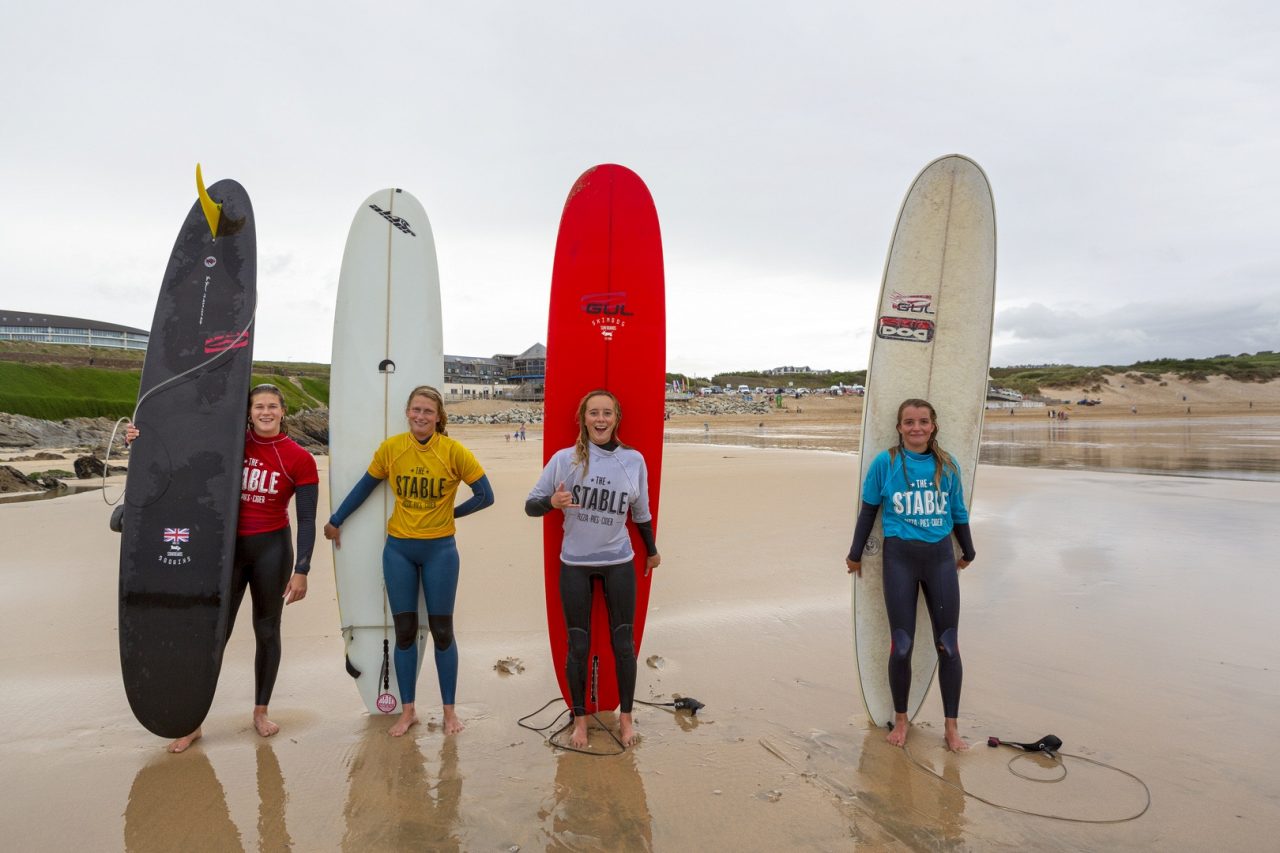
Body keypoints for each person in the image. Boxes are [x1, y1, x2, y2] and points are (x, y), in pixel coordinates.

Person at [125, 383, 319, 753]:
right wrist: (138, 439)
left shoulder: (299, 458)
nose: (265, 412)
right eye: (258, 406)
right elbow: (175, 455)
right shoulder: (228, 445)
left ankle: (260, 712)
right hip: (225, 553)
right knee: (214, 634)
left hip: (272, 550)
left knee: (267, 630)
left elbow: (307, 519)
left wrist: (302, 568)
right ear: (248, 411)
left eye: (272, 406)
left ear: (283, 411)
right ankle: (192, 720)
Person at [324, 385, 493, 737]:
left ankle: (449, 713)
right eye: (416, 410)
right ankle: (408, 711)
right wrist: (337, 519)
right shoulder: (393, 449)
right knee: (404, 633)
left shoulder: (453, 452)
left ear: (438, 417)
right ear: (407, 411)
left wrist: (451, 514)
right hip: (398, 550)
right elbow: (364, 487)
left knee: (442, 632)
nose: (420, 416)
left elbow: (485, 496)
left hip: (440, 551)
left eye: (428, 412)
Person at [525, 389, 660, 748]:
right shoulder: (564, 459)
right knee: (578, 645)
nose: (600, 420)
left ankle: (627, 720)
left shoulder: (633, 461)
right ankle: (580, 721)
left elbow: (641, 513)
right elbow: (530, 506)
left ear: (616, 419)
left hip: (619, 560)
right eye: (593, 413)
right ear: (583, 419)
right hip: (575, 563)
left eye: (607, 414)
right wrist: (552, 501)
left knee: (623, 644)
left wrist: (652, 550)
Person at [845, 398, 975, 752]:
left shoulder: (947, 466)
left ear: (933, 426)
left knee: (948, 646)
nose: (916, 428)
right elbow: (868, 511)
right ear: (899, 428)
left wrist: (969, 551)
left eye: (922, 422)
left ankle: (951, 729)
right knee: (901, 646)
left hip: (941, 560)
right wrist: (855, 555)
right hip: (899, 559)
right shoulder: (885, 463)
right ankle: (901, 720)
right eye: (908, 422)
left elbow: (958, 513)